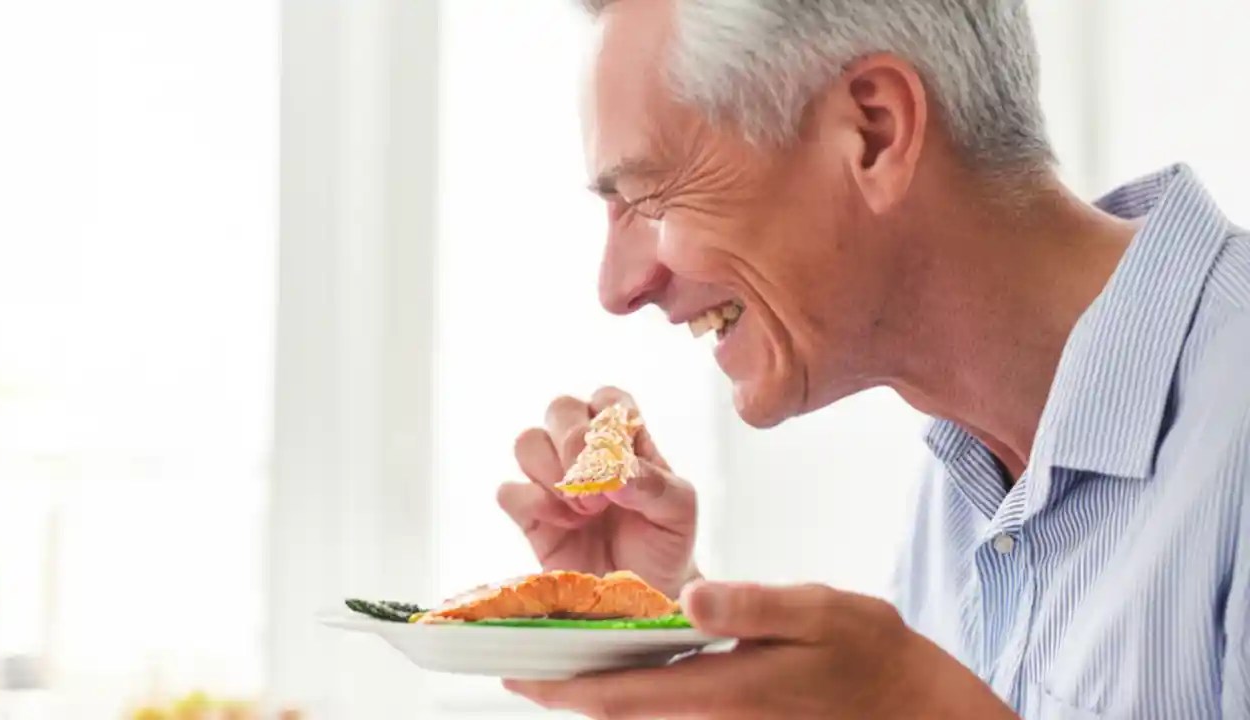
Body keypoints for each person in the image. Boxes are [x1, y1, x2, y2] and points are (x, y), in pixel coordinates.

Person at [496, 0, 1250, 717]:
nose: (618, 288)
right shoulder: (967, 477)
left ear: (874, 132)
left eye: (653, 197)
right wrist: (678, 649)